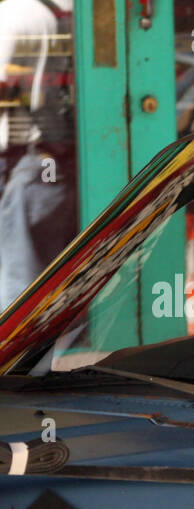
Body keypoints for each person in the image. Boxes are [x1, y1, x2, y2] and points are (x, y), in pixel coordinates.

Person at [0, 0, 76, 310]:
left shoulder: (15, 13)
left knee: (17, 274)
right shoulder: (72, 15)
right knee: (40, 269)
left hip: (21, 155)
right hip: (52, 156)